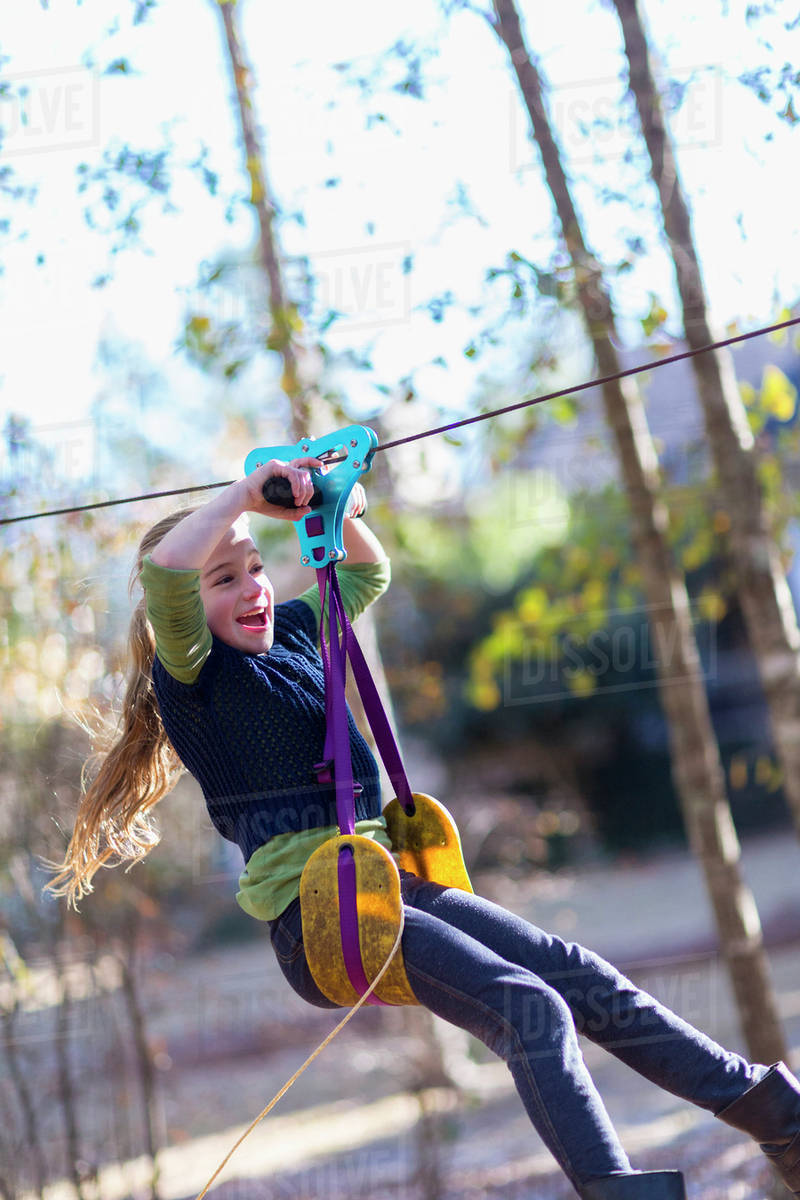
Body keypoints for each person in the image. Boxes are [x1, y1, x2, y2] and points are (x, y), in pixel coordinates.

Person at [48, 460, 800, 1200]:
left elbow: (367, 570)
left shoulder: (298, 634)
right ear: (186, 608)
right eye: (225, 580)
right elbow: (169, 572)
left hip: (384, 884)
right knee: (527, 1009)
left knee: (575, 974)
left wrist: (332, 502)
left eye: (255, 567)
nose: (254, 588)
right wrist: (248, 496)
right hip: (317, 918)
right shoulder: (196, 674)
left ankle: (778, 1115)